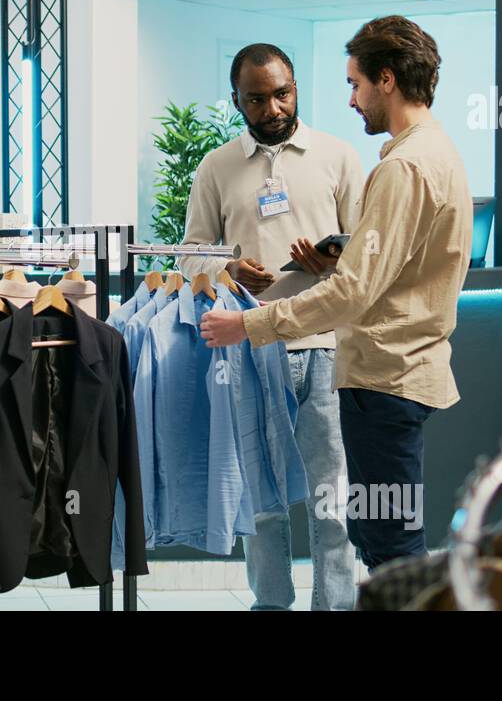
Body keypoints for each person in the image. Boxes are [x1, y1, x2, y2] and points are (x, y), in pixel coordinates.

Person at [199, 15, 472, 573]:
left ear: (387, 80)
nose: (351, 99)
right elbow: (383, 265)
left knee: (389, 547)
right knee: (380, 537)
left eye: (355, 83)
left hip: (382, 378)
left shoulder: (404, 166)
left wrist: (250, 324)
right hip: (390, 377)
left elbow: (354, 291)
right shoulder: (433, 152)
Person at [178, 42, 364, 611]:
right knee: (263, 502)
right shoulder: (216, 167)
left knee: (331, 499)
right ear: (236, 100)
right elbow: (186, 254)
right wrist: (225, 266)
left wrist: (333, 258)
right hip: (250, 348)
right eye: (257, 99)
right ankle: (271, 605)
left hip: (327, 346)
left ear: (296, 90)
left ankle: (334, 605)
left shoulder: (337, 156)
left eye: (282, 94)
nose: (273, 108)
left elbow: (367, 249)